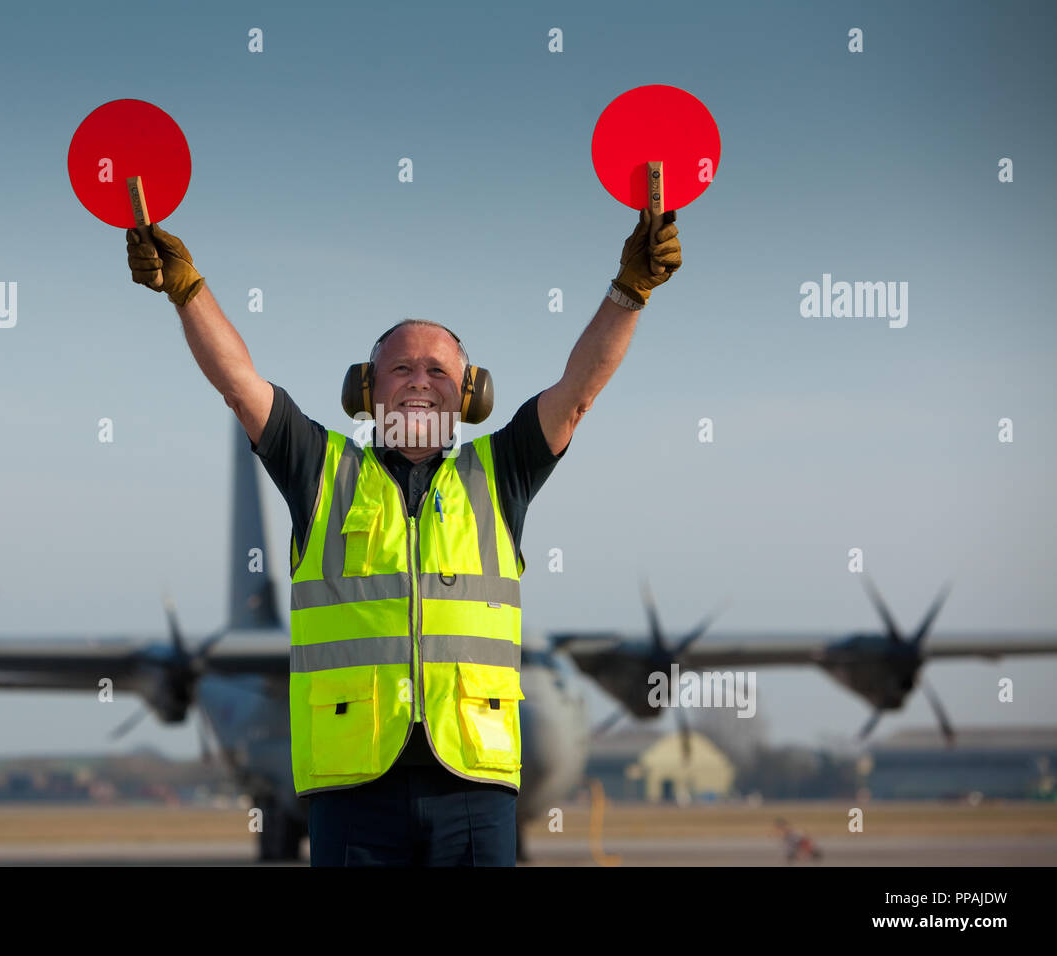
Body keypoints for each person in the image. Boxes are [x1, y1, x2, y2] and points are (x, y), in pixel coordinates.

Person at [125, 208, 681, 865]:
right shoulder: (321, 470)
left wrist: (629, 292)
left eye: (438, 371)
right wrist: (187, 290)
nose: (419, 381)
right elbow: (239, 384)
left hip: (475, 785)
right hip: (352, 787)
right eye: (400, 370)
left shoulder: (500, 473)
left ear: (469, 397)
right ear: (368, 391)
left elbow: (579, 391)